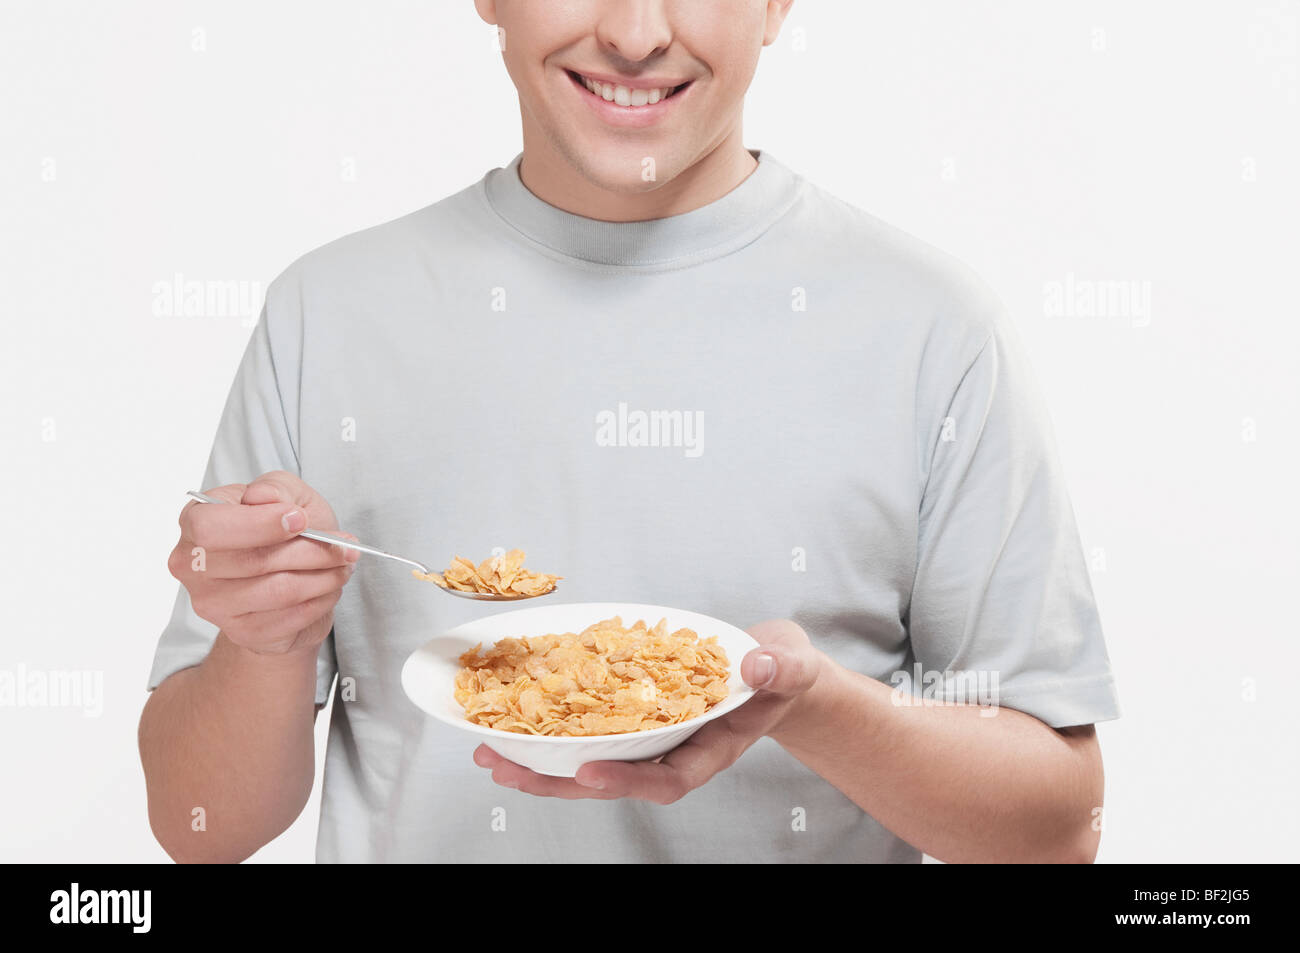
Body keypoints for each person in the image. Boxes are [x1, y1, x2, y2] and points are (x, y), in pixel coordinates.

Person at [139, 0, 1119, 863]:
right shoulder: (330, 313)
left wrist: (817, 705)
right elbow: (198, 828)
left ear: (777, 4)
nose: (636, 33)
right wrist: (265, 641)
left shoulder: (930, 331)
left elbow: (1055, 831)